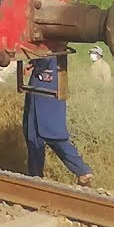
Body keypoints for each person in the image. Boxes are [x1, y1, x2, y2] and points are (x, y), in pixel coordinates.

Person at [23, 55, 94, 187]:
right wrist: (33, 62)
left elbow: (45, 53)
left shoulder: (53, 46)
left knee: (52, 133)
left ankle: (81, 170)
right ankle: (35, 178)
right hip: (40, 86)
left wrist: (36, 61)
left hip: (46, 87)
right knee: (32, 134)